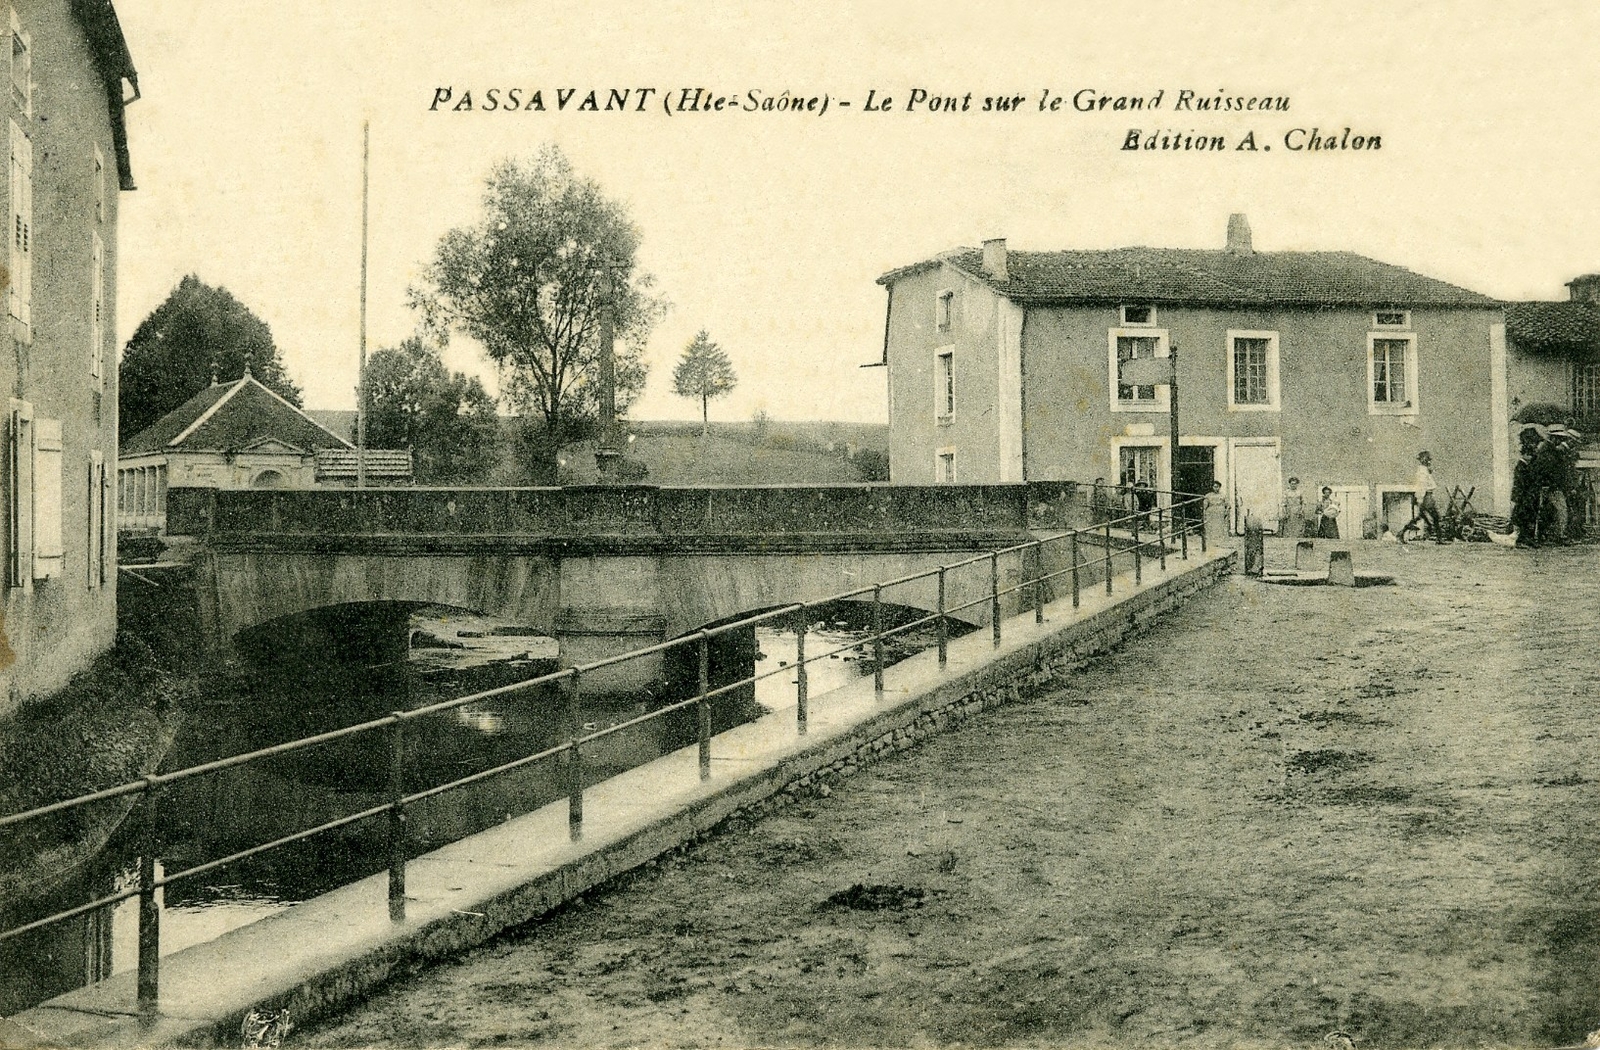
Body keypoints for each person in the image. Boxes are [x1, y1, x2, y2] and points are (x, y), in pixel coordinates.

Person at [1400, 451, 1443, 543]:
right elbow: (1422, 486)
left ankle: (1403, 532)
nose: (1429, 461)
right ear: (1423, 460)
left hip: (1428, 496)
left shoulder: (1425, 471)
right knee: (1435, 517)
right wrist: (1420, 499)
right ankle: (1439, 539)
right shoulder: (1422, 472)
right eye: (1428, 459)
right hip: (1426, 496)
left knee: (1421, 517)